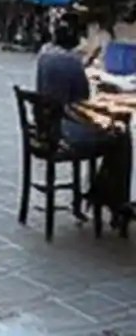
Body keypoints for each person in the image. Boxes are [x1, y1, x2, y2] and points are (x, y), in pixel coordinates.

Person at [36, 23, 133, 228]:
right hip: (66, 130)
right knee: (121, 137)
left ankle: (103, 193)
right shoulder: (71, 62)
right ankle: (112, 198)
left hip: (49, 127)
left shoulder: (45, 55)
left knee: (116, 135)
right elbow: (84, 100)